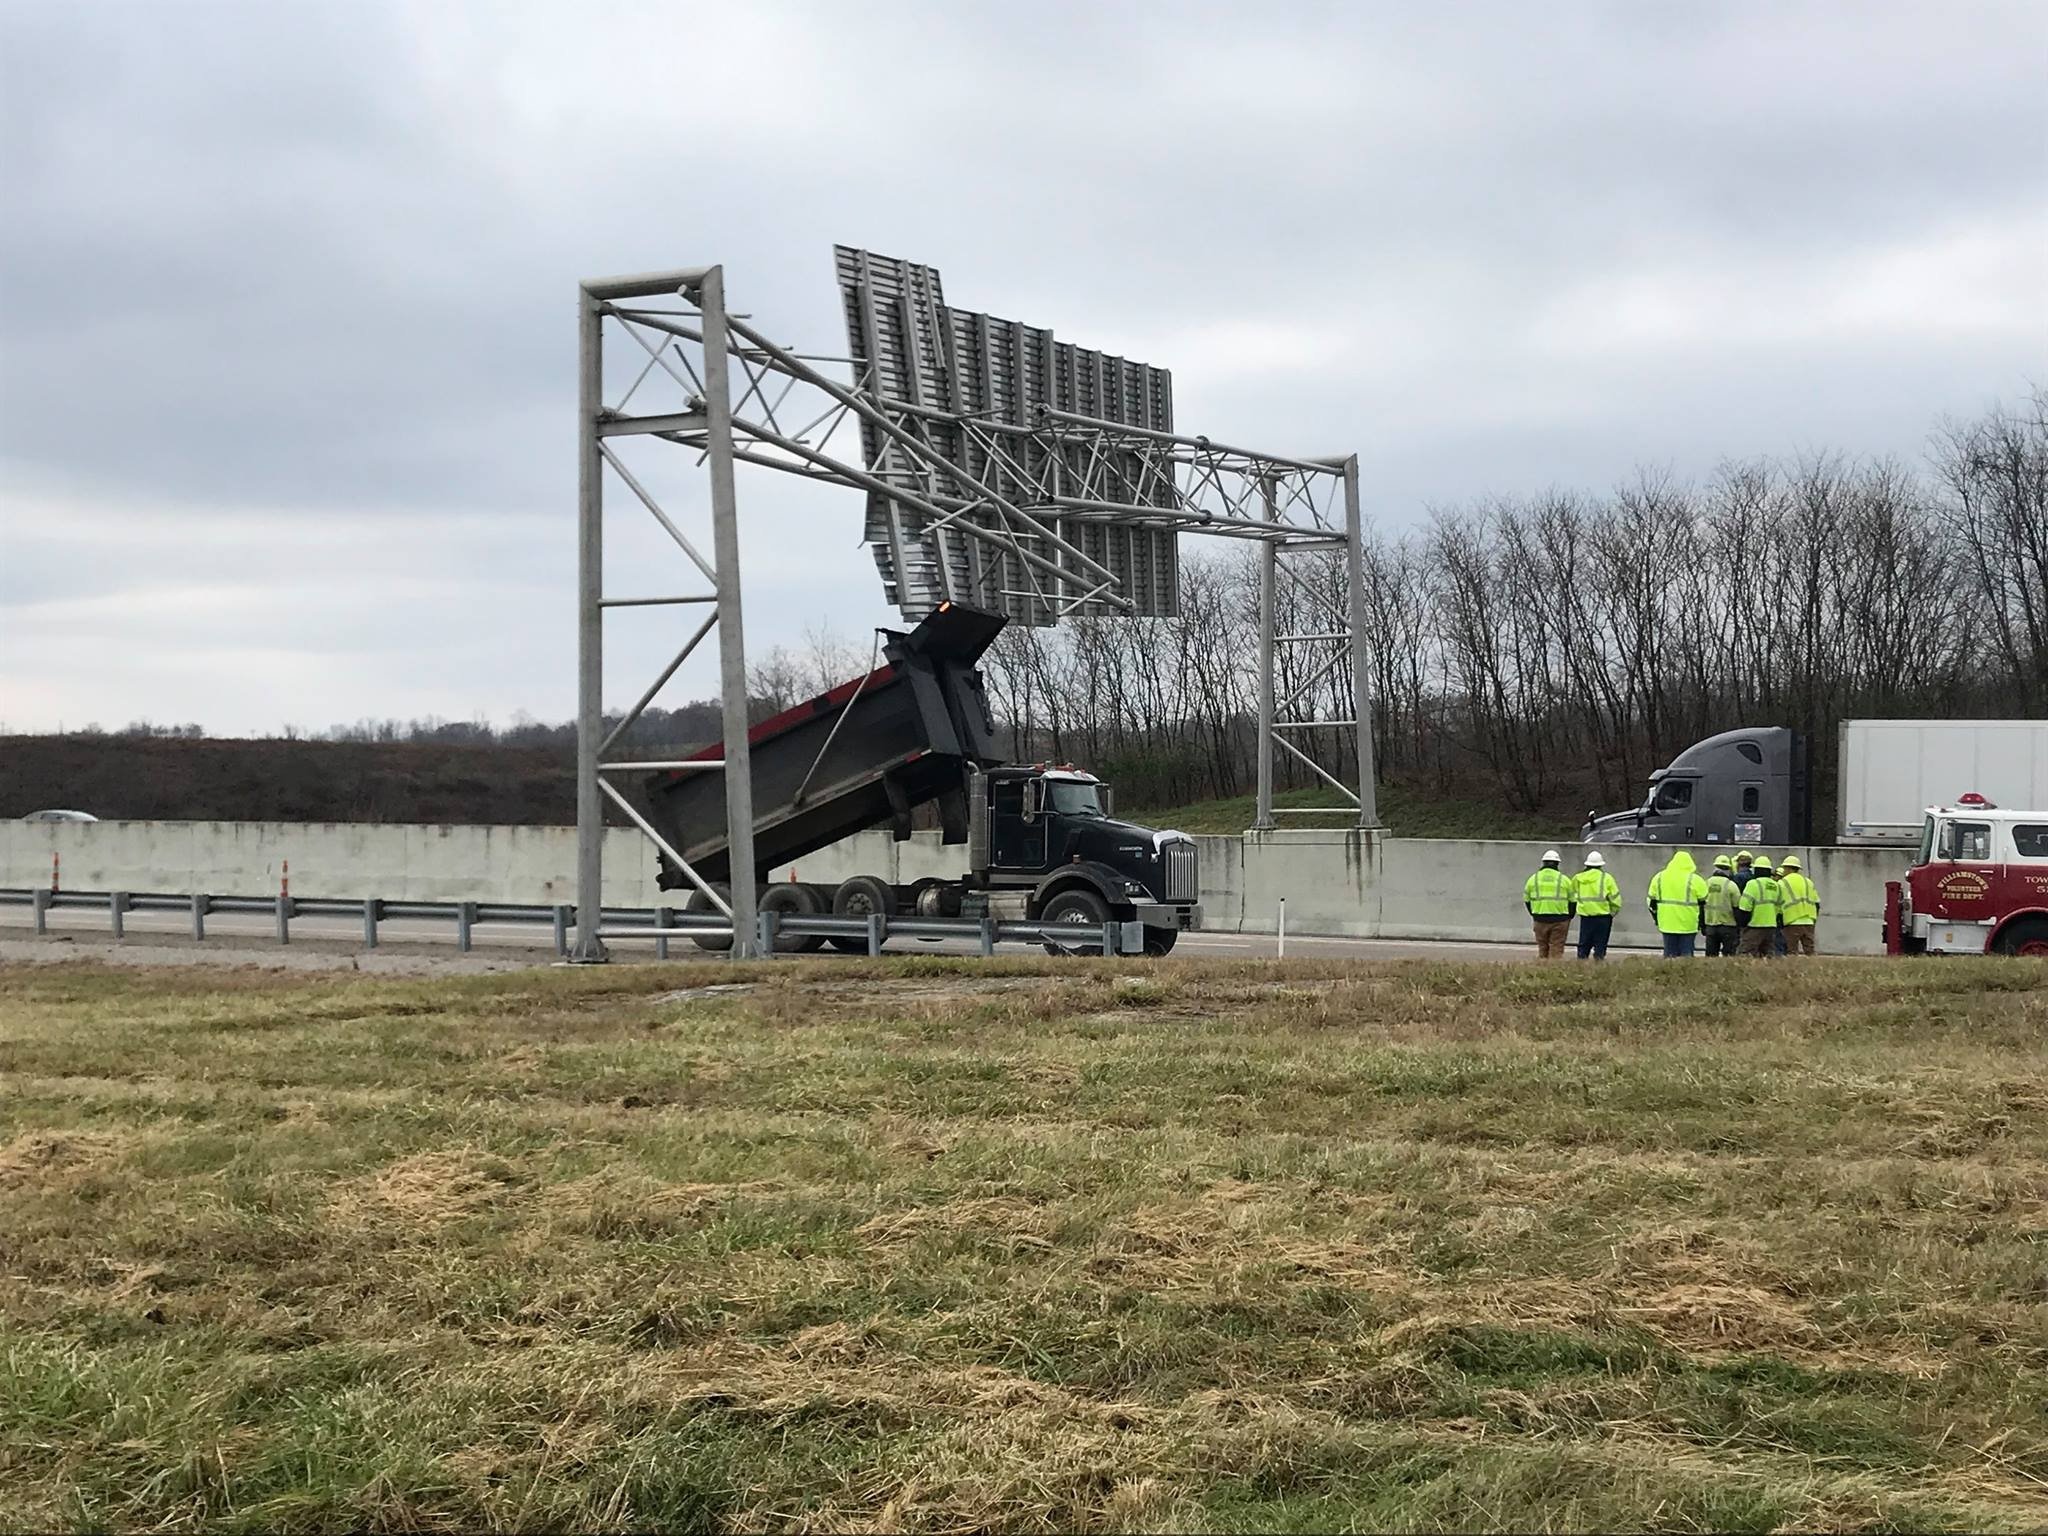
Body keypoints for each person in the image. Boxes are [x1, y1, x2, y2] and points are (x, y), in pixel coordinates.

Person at [1647, 849, 1708, 957]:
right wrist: (1702, 924)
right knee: (1686, 955)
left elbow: (1651, 901)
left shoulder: (1659, 877)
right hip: (1688, 924)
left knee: (1669, 955)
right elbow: (1704, 900)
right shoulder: (1695, 879)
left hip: (1666, 923)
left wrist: (1656, 918)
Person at [1524, 849, 1575, 960]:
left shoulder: (1533, 879)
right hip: (1560, 920)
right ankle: (1553, 972)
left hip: (1540, 919)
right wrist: (1569, 917)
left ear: (1543, 863)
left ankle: (1542, 972)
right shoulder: (1564, 880)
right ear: (1557, 864)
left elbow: (1527, 901)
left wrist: (1534, 914)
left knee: (1542, 948)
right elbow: (1573, 901)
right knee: (1556, 948)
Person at [1573, 850, 1621, 960]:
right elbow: (1615, 899)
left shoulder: (1578, 878)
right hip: (1603, 917)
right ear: (1600, 865)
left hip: (1586, 917)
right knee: (1600, 945)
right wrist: (1613, 912)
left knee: (1584, 944)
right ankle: (1598, 968)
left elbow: (1573, 895)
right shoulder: (1607, 878)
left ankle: (1580, 966)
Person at [1737, 855, 1782, 956]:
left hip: (1754, 926)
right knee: (1767, 956)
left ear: (1756, 870)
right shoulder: (1776, 885)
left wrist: (1743, 924)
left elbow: (1744, 907)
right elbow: (1779, 908)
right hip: (1771, 926)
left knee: (1745, 954)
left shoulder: (1752, 884)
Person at [1778, 855, 1820, 956]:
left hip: (1791, 922)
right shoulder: (1808, 882)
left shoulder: (1782, 882)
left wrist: (1780, 920)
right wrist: (1813, 919)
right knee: (1810, 952)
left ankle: (1793, 971)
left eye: (1784, 868)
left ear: (1788, 868)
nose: (1783, 870)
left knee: (1791, 951)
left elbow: (1778, 904)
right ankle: (1814, 970)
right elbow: (1817, 903)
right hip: (1809, 922)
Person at [1703, 853, 1742, 957]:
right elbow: (1737, 907)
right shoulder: (1731, 885)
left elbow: (1701, 906)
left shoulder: (1706, 883)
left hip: (1710, 925)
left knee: (1711, 957)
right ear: (1729, 869)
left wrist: (1702, 925)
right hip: (1728, 926)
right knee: (1729, 956)